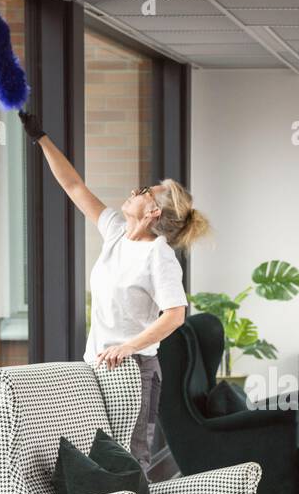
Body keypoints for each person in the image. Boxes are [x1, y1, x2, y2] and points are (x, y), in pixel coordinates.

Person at [19, 110, 209, 470]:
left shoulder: (159, 255)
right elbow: (74, 186)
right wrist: (41, 138)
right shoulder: (117, 232)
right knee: (96, 453)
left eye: (141, 192)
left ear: (152, 212)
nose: (132, 191)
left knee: (130, 458)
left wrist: (129, 346)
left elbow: (175, 315)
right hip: (96, 364)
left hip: (135, 370)